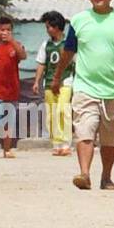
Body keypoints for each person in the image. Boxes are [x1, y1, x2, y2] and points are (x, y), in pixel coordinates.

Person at [50, 0, 114, 188]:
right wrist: (57, 77)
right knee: (85, 131)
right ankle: (84, 174)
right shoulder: (79, 20)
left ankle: (106, 177)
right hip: (85, 87)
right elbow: (68, 51)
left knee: (111, 139)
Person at [0, 17, 26, 159]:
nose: (5, 32)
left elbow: (23, 56)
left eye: (8, 30)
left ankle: (7, 149)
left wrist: (12, 41)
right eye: (2, 30)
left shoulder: (16, 46)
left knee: (8, 122)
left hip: (11, 90)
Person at [32, 12, 74, 157]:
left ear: (58, 27)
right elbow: (41, 64)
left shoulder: (69, 44)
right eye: (47, 26)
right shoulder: (46, 45)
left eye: (50, 26)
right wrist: (37, 81)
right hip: (49, 82)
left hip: (66, 81)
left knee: (63, 110)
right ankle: (57, 144)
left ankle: (66, 143)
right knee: (51, 114)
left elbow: (76, 63)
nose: (48, 29)